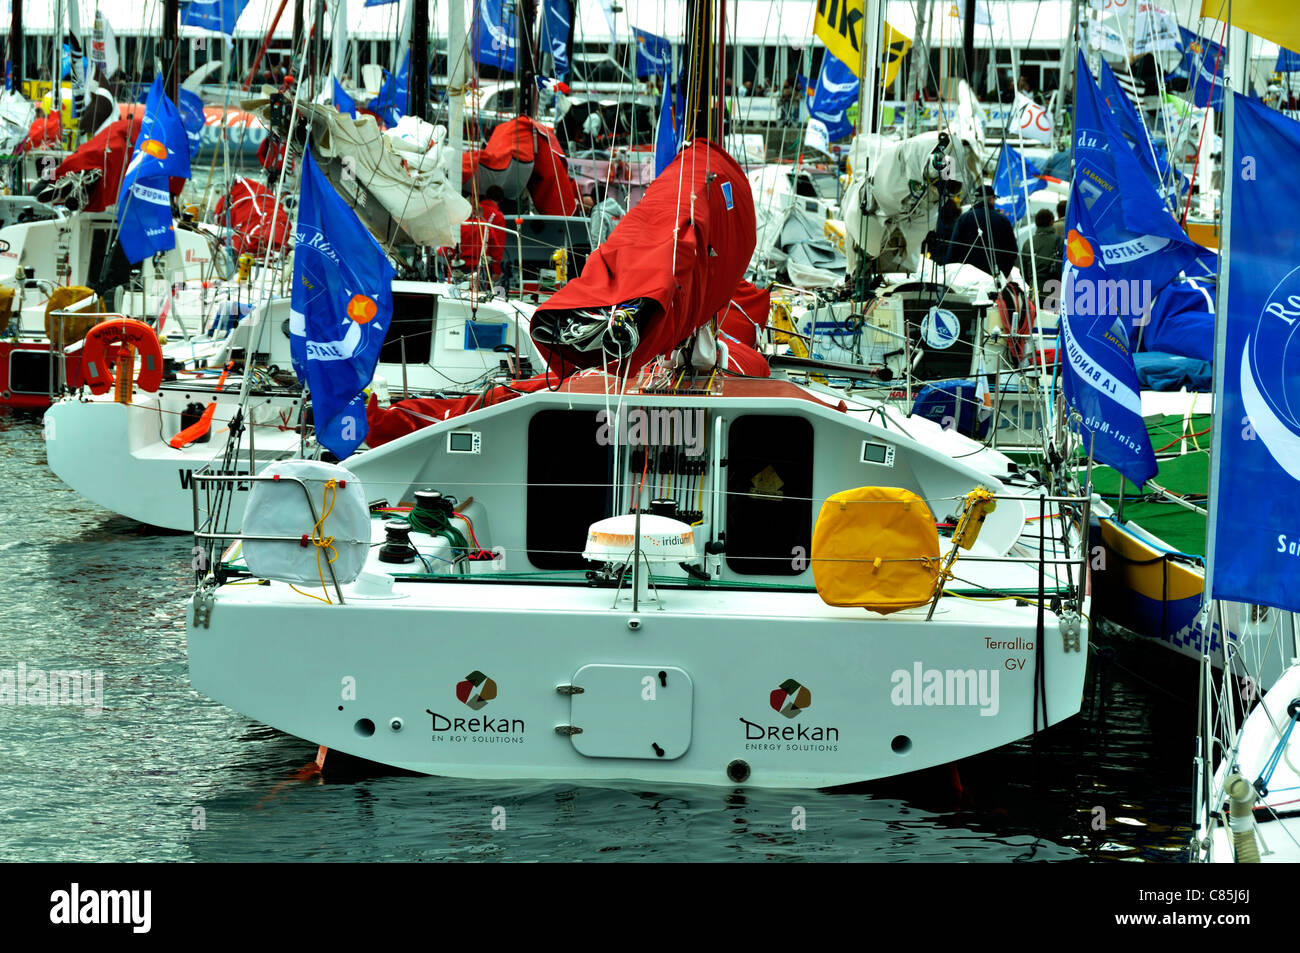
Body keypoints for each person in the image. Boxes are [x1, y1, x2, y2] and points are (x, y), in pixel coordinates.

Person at [947, 185, 1019, 278]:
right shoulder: (1002, 220)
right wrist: (1003, 273)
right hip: (993, 277)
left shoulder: (964, 218)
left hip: (966, 277)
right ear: (991, 199)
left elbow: (953, 249)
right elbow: (1012, 251)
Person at [1021, 208, 1064, 305]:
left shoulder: (1028, 243)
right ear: (1052, 222)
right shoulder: (1060, 241)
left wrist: (1032, 281)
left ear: (1036, 223)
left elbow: (1022, 270)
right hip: (1055, 289)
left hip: (1035, 290)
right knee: (1054, 318)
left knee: (1036, 318)